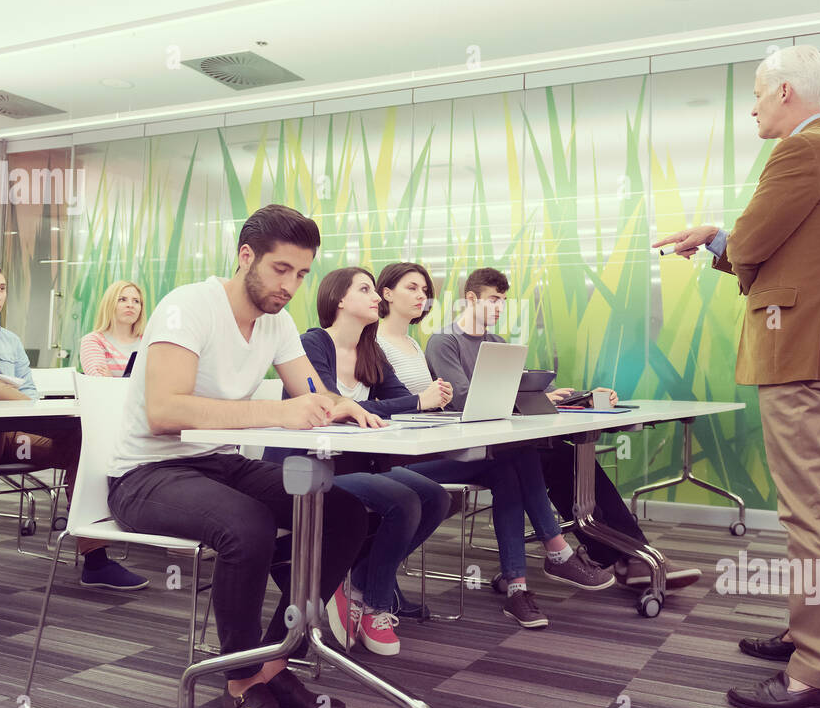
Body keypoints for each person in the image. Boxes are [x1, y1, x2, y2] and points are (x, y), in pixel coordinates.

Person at [105, 203, 378, 708]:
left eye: (302, 274)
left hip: (217, 464)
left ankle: (271, 667)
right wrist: (278, 412)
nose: (291, 286)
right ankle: (237, 684)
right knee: (248, 526)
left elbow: (310, 392)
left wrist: (340, 405)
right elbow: (166, 411)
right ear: (246, 256)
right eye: (281, 270)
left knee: (343, 511)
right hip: (144, 473)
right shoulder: (189, 307)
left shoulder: (275, 323)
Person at [653, 44, 820, 708]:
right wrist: (721, 237)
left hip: (801, 349)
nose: (751, 106)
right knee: (813, 506)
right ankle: (809, 636)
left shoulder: (805, 150)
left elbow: (750, 245)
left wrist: (721, 235)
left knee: (811, 512)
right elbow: (767, 248)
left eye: (756, 92)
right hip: (810, 346)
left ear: (785, 92)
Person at [424, 266, 701, 593]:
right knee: (556, 462)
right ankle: (626, 556)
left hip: (508, 442)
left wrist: (583, 396)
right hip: (475, 448)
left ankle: (626, 555)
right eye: (493, 300)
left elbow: (528, 384)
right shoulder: (444, 342)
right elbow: (462, 398)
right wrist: (532, 395)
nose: (499, 308)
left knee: (568, 458)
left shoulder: (497, 342)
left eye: (503, 301)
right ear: (470, 298)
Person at [374, 261, 614, 631]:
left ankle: (517, 586)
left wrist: (552, 395)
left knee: (513, 463)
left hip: (440, 445)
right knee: (518, 456)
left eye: (425, 290)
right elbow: (448, 400)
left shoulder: (413, 344)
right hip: (410, 459)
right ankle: (556, 551)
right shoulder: (393, 344)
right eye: (413, 288)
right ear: (386, 293)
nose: (422, 296)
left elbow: (452, 399)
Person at [0, 260, 146, 590]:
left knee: (82, 442)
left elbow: (30, 394)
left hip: (13, 436)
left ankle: (96, 562)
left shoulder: (9, 341)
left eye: (2, 288)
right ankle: (77, 423)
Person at [280, 267, 452, 656]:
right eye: (365, 289)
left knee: (437, 499)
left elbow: (402, 405)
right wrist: (414, 401)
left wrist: (426, 399)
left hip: (357, 463)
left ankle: (358, 582)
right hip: (309, 466)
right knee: (404, 503)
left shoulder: (372, 351)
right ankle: (376, 604)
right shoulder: (313, 343)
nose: (376, 297)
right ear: (339, 299)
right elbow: (330, 406)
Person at [80, 281, 145, 376]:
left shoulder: (148, 342)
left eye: (136, 301)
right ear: (109, 304)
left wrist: (112, 379)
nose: (130, 305)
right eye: (122, 299)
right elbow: (99, 384)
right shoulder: (93, 341)